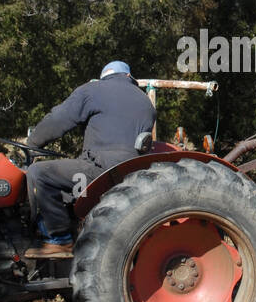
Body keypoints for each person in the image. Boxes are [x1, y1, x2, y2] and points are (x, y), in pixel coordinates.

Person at [22, 61, 156, 258]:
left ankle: (59, 240)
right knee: (67, 183)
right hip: (131, 173)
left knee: (39, 173)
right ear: (128, 77)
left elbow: (58, 120)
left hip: (101, 172)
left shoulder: (93, 91)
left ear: (103, 77)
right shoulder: (145, 101)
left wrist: (32, 143)